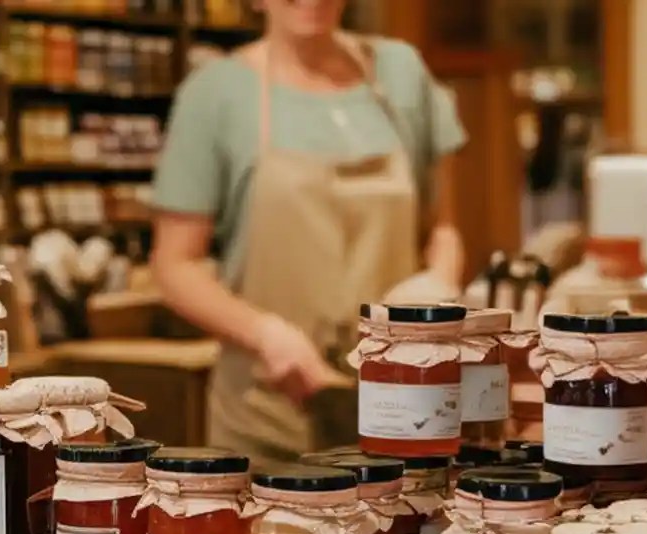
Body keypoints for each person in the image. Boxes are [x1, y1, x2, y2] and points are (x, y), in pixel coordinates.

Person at [149, 0, 467, 464]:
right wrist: (265, 333)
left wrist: (437, 290)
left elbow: (444, 228)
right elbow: (175, 264)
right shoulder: (215, 94)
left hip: (403, 409)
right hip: (268, 417)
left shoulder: (401, 74)